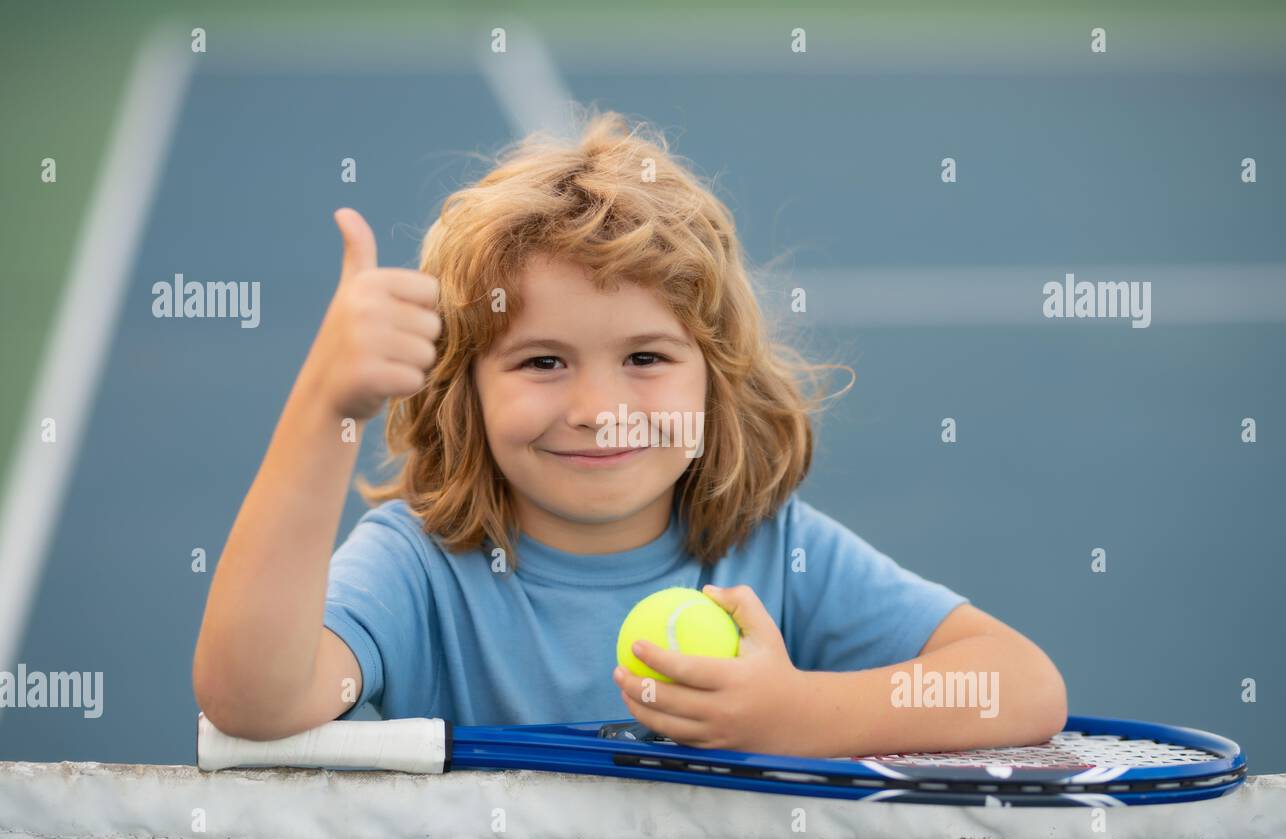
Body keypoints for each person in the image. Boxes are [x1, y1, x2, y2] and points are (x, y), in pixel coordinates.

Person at [193, 109, 1066, 757]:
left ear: (716, 378)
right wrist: (328, 410)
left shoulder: (772, 553)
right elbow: (255, 701)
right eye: (542, 362)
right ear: (465, 393)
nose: (599, 407)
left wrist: (793, 714)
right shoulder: (420, 570)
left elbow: (1022, 685)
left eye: (646, 357)